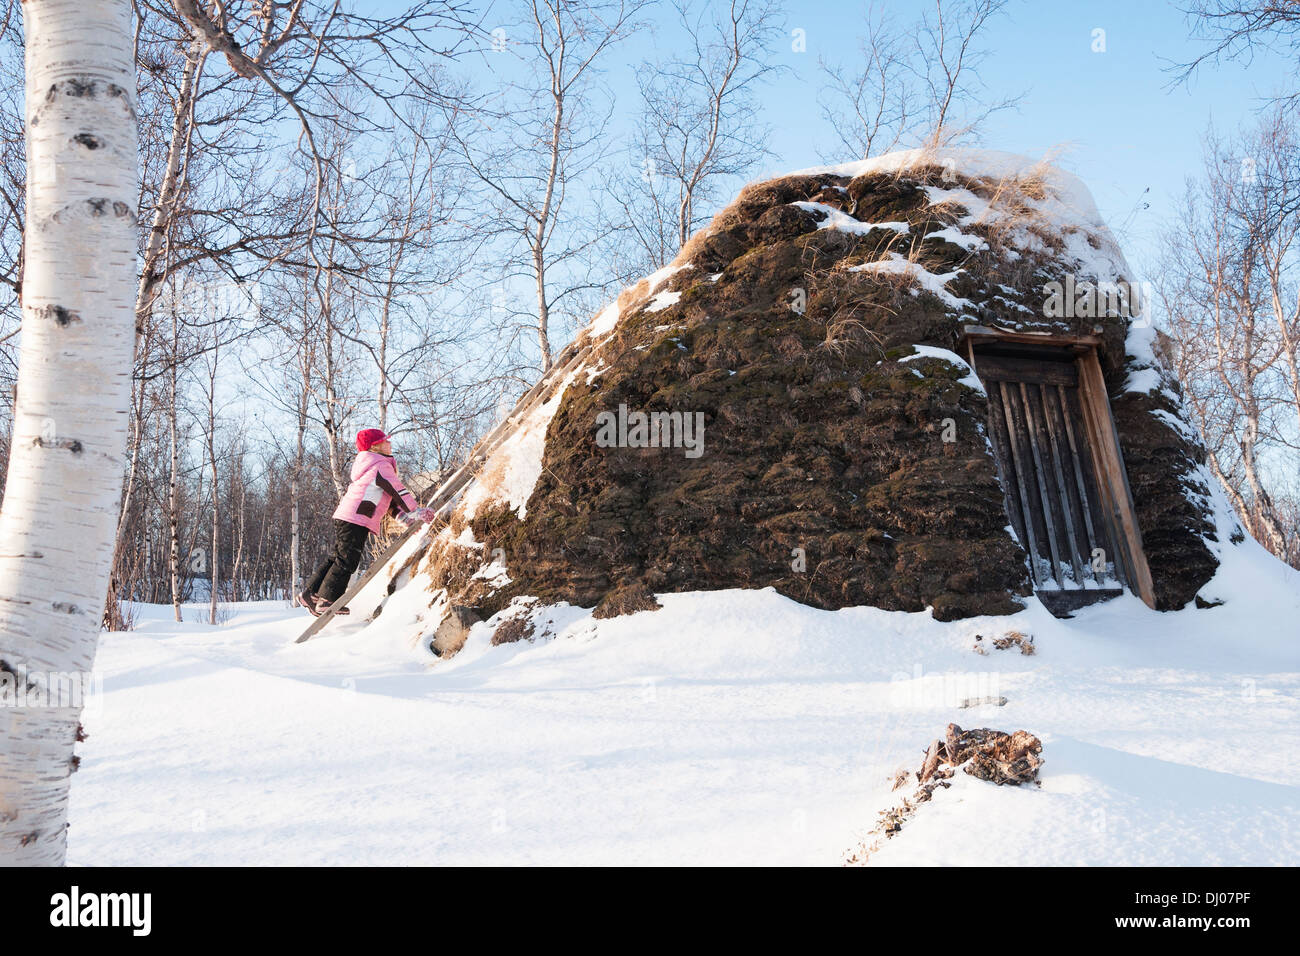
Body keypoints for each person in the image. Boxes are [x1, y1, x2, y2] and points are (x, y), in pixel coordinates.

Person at [300, 428, 431, 617]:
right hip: (355, 519)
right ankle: (327, 600)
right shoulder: (380, 465)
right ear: (375, 446)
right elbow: (397, 490)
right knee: (347, 560)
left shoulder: (372, 465)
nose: (390, 444)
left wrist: (406, 519)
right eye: (386, 441)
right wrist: (416, 511)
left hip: (346, 516)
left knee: (337, 557)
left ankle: (310, 594)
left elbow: (389, 503)